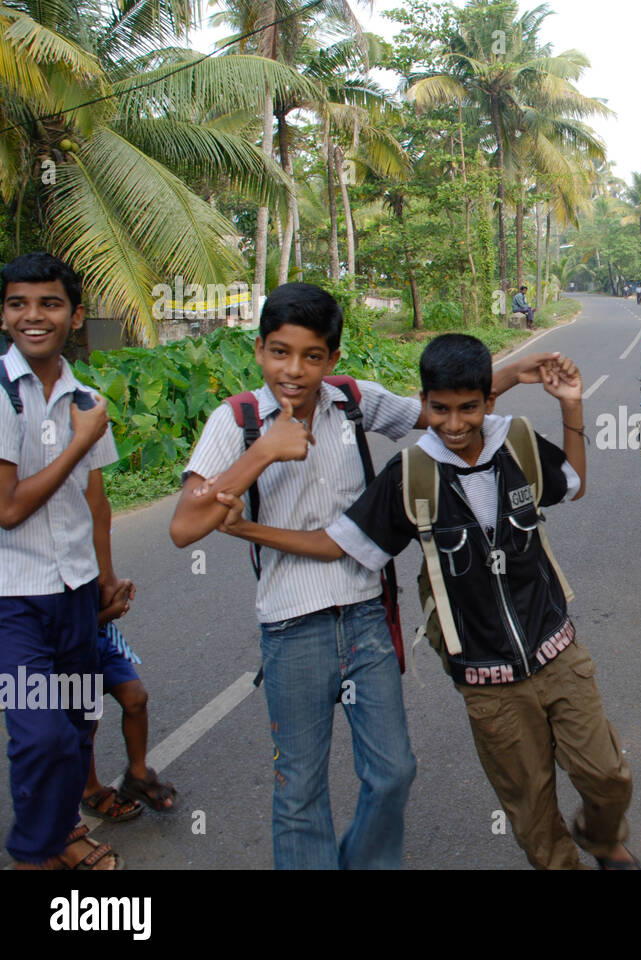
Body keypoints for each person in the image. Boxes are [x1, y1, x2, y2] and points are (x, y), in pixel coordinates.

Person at [213, 337, 641, 870]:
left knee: (607, 775)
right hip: (488, 682)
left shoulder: (518, 444)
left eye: (469, 407)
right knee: (531, 810)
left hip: (558, 653)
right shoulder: (409, 474)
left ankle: (601, 837)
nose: (455, 422)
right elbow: (338, 543)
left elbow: (571, 484)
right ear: (425, 403)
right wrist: (249, 529)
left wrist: (571, 405)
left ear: (490, 400)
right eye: (440, 408)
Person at [170, 282, 426, 870]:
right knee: (301, 790)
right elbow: (185, 526)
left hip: (365, 616)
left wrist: (512, 377)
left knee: (393, 771)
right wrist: (263, 452)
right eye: (280, 352)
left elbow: (434, 409)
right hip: (291, 629)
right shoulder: (235, 420)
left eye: (312, 356)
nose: (295, 370)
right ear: (259, 350)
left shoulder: (353, 400)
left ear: (332, 359)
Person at [0, 251, 132, 870]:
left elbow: (95, 500)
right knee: (39, 734)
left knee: (78, 722)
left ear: (75, 317)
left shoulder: (87, 398)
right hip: (14, 599)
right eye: (18, 303)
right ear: (3, 316)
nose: (34, 316)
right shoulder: (3, 396)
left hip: (76, 593)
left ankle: (63, 833)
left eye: (49, 303)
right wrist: (79, 439)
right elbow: (8, 508)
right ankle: (35, 856)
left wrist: (105, 578)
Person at [81, 607, 177, 822]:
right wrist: (110, 610)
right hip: (70, 646)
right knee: (86, 721)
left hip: (99, 636)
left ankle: (137, 774)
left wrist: (118, 590)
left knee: (135, 699)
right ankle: (90, 790)